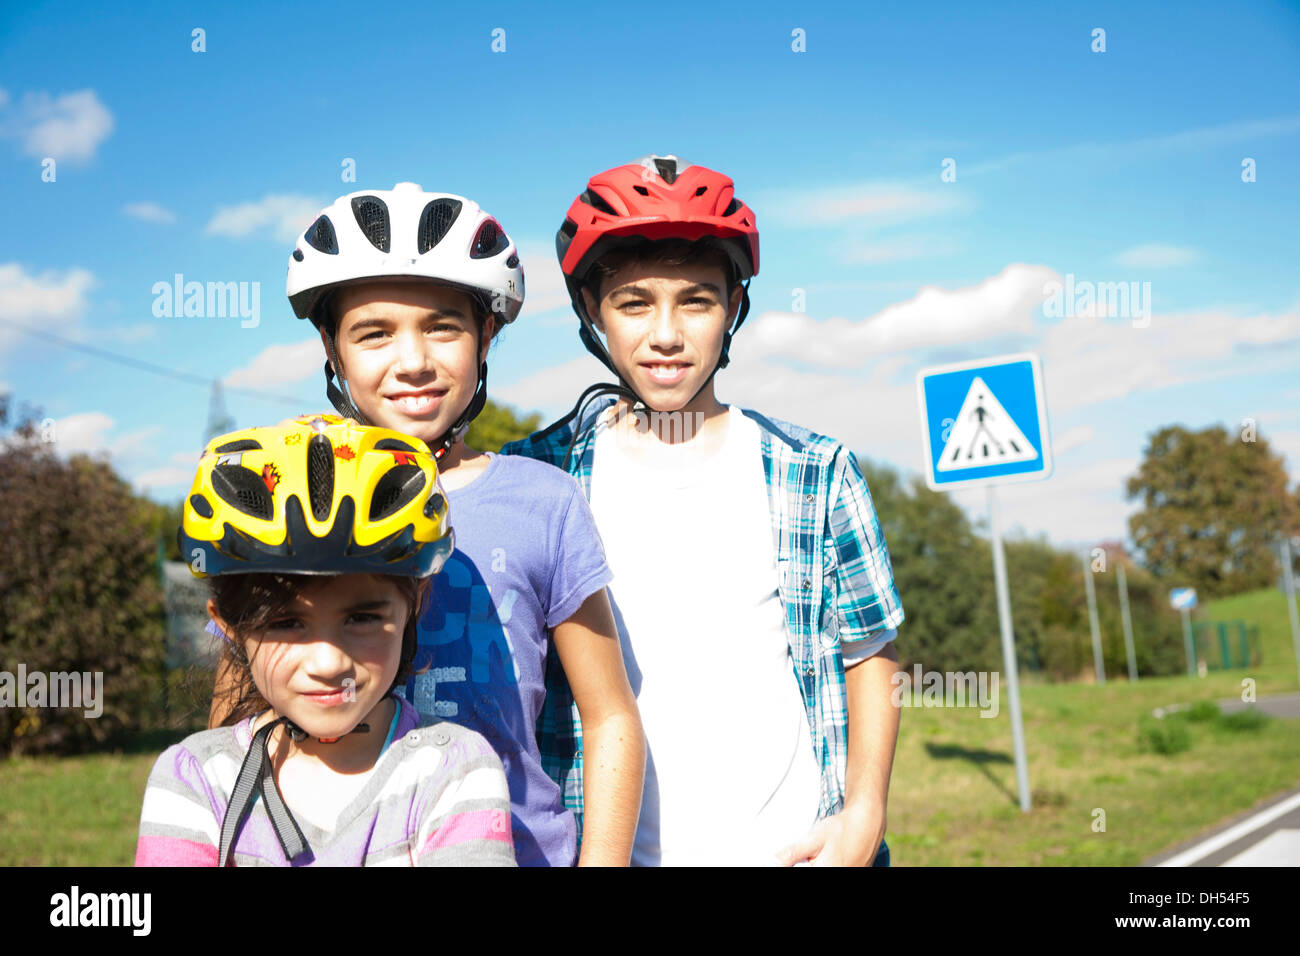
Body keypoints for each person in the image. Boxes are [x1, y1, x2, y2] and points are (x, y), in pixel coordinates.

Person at [502, 155, 906, 866]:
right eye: (633, 303)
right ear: (591, 312)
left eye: (696, 300)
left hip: (797, 851)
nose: (666, 334)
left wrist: (863, 812)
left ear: (733, 309)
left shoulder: (815, 471)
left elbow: (870, 651)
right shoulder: (538, 477)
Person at [269, 183, 643, 867]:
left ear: (487, 333)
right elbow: (239, 714)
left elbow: (611, 714)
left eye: (443, 326)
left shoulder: (544, 500)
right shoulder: (287, 492)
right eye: (374, 333)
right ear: (331, 347)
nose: (413, 360)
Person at [138, 416, 516, 866]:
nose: (327, 662)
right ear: (229, 625)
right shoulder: (193, 781)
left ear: (416, 602)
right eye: (284, 623)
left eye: (361, 618)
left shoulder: (456, 771)